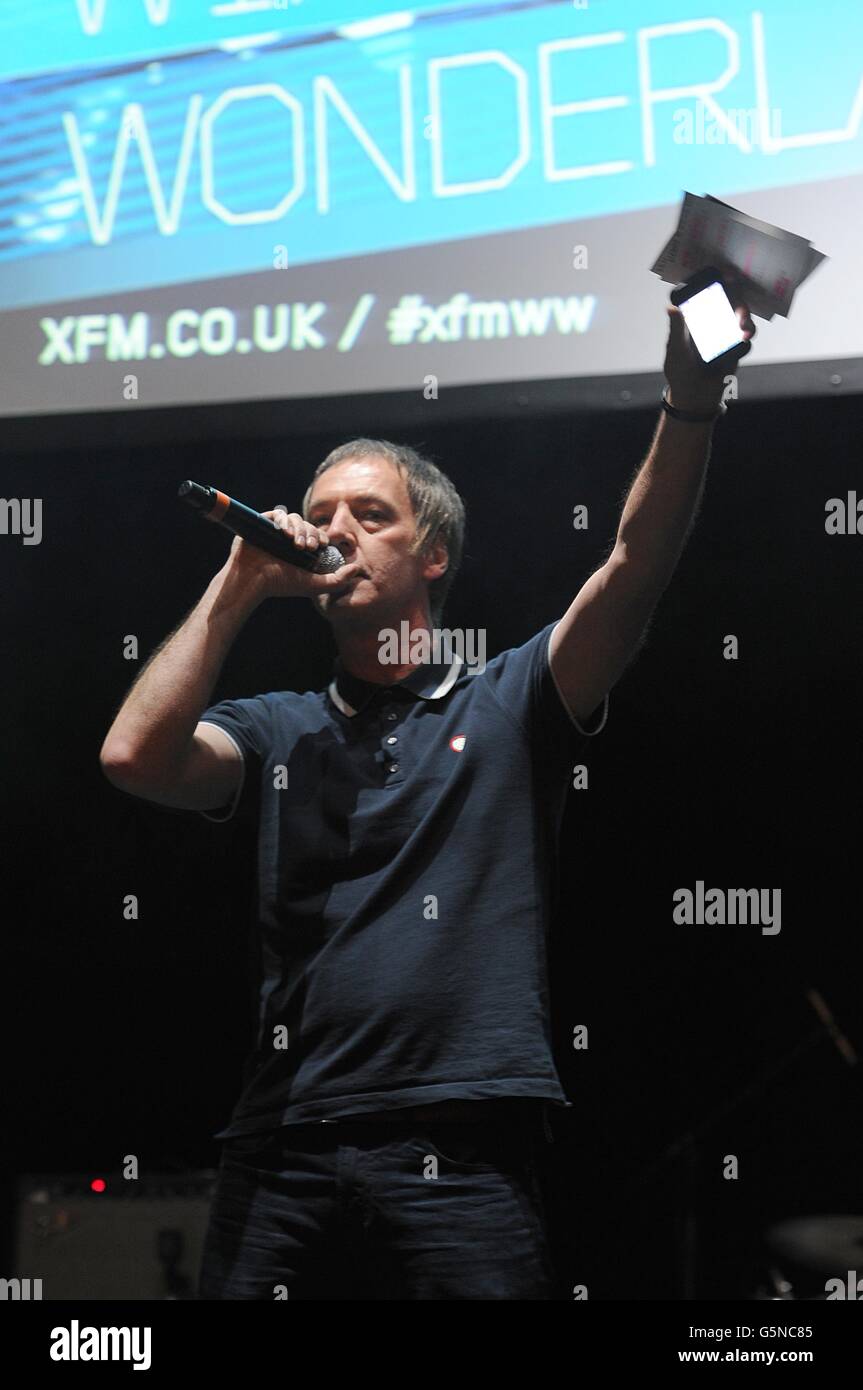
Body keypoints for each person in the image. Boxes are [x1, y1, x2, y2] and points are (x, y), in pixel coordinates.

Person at [100, 296, 754, 1299]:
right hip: (281, 1149)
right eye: (318, 517)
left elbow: (633, 566)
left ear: (432, 555)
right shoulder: (279, 727)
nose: (334, 532)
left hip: (460, 1150)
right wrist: (238, 582)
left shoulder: (508, 700)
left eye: (370, 515)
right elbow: (133, 758)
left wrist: (691, 398)